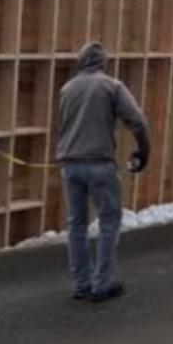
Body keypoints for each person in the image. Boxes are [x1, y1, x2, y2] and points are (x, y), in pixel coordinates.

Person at [58, 41, 151, 303]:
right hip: (99, 164)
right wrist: (144, 151)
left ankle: (81, 284)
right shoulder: (111, 86)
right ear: (103, 62)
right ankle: (102, 283)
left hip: (70, 164)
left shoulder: (66, 89)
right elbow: (138, 121)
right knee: (109, 221)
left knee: (76, 224)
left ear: (80, 61)